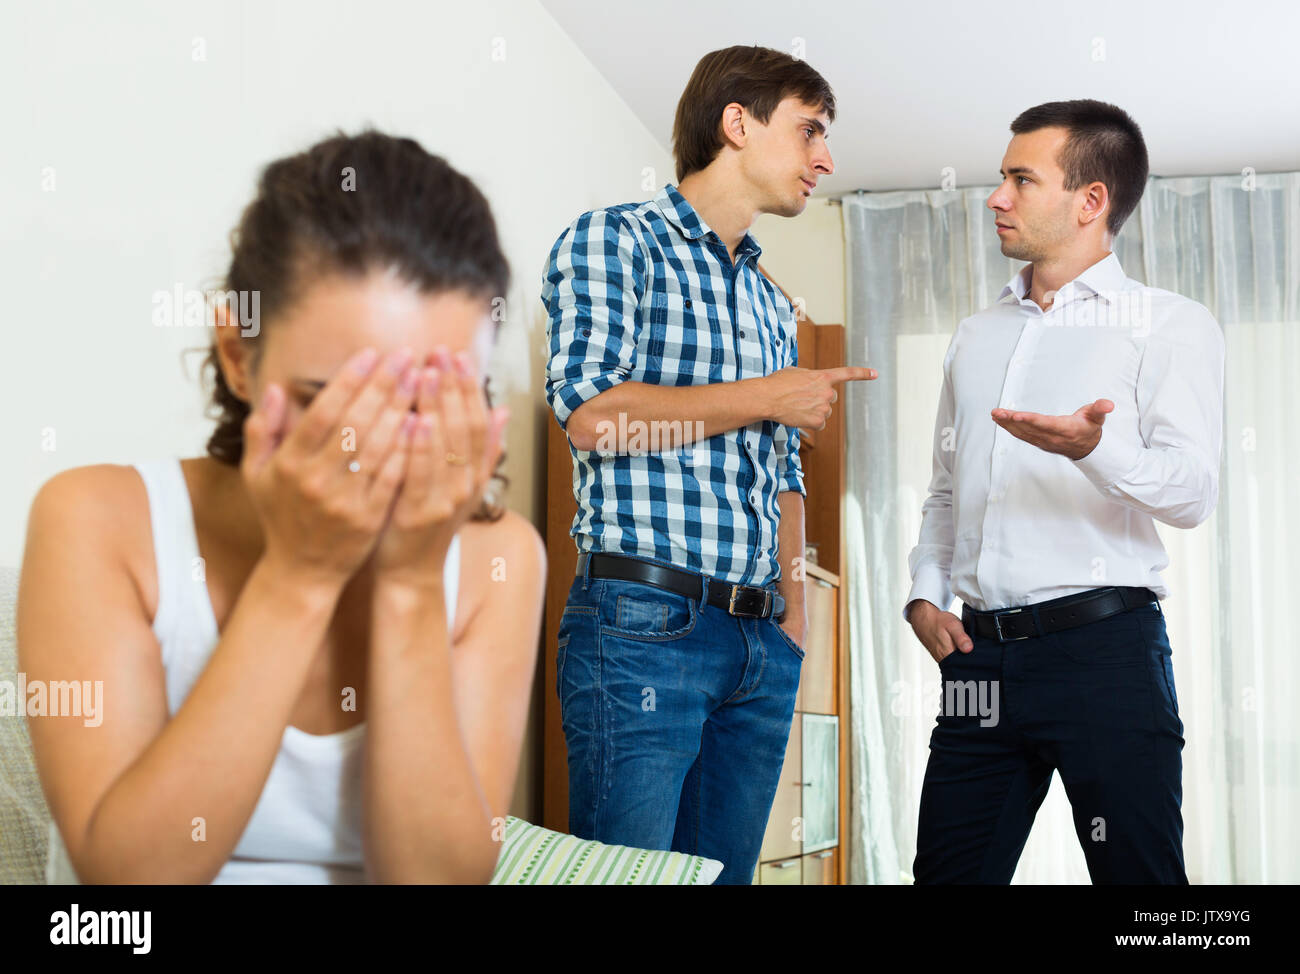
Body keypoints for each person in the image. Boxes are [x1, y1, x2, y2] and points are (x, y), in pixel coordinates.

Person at [17, 130, 546, 884]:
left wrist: (411, 583)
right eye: (333, 401)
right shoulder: (98, 520)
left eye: (430, 404)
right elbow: (129, 884)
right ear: (238, 355)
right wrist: (300, 577)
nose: (382, 448)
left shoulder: (499, 559)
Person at [541, 44, 874, 885]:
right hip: (644, 627)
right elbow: (594, 420)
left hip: (759, 645)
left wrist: (793, 620)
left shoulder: (770, 302)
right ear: (737, 123)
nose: (824, 160)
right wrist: (768, 394)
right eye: (809, 132)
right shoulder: (613, 242)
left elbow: (783, 474)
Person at [905, 99, 1224, 884]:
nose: (996, 197)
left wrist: (1097, 450)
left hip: (1104, 655)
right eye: (1000, 177)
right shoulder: (976, 336)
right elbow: (947, 489)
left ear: (1090, 201)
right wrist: (924, 594)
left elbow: (1190, 495)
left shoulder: (1169, 325)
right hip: (977, 662)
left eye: (1021, 178)